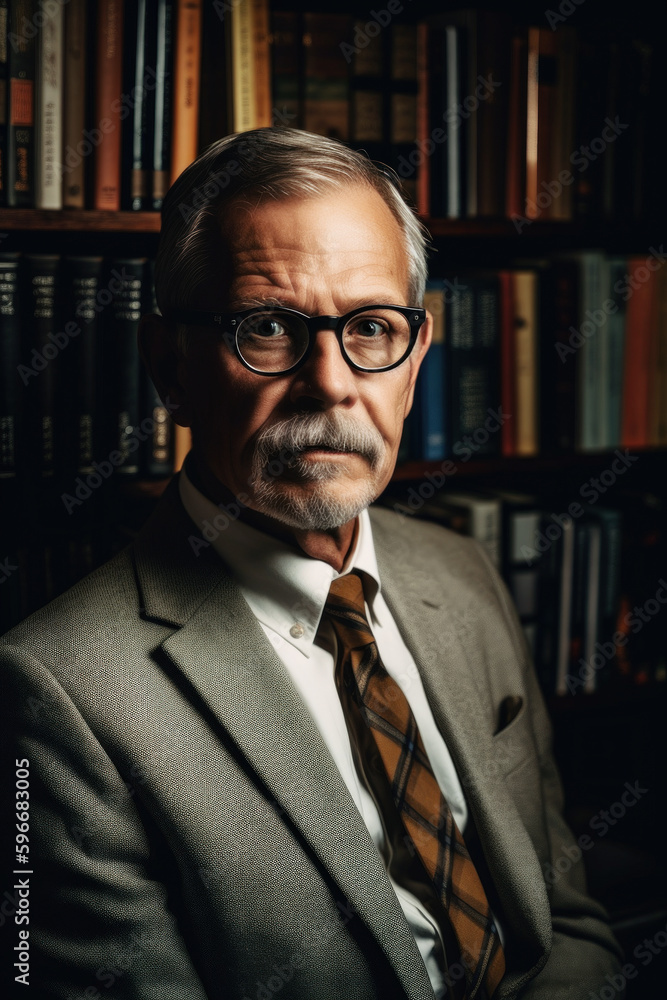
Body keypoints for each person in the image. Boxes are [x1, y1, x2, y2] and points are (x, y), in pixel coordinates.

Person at [2, 128, 623, 999]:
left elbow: (569, 923)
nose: (330, 382)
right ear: (170, 369)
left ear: (413, 365)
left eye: (371, 328)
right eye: (267, 327)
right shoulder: (56, 695)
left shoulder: (462, 574)